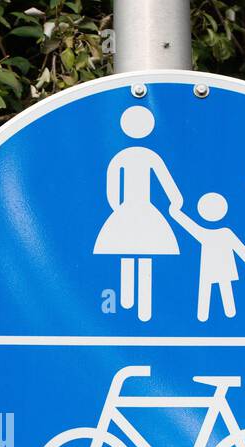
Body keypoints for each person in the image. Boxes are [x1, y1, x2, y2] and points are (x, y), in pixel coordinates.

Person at [93, 105, 184, 322]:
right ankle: (137, 308)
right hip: (142, 210)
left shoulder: (122, 157)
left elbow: (112, 191)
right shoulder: (147, 156)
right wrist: (175, 201)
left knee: (130, 252)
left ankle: (132, 303)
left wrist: (119, 210)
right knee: (143, 253)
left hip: (128, 209)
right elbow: (167, 184)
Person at [169, 192, 245, 322]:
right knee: (219, 288)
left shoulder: (209, 234)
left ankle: (209, 316)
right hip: (214, 268)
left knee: (214, 289)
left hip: (214, 268)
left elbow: (190, 226)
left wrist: (175, 213)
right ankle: (211, 316)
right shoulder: (222, 233)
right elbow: (240, 249)